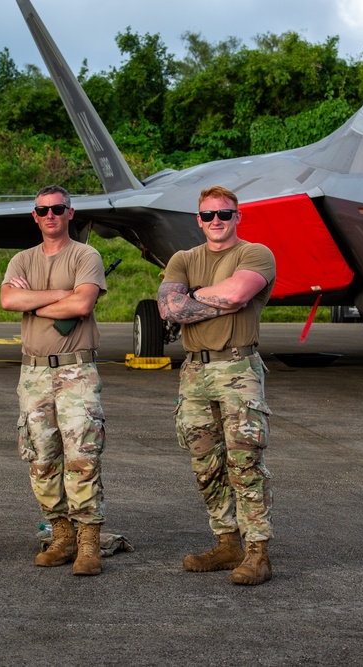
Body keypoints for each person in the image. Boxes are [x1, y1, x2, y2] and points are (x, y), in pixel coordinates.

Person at [157, 185, 277, 586]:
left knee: (244, 463)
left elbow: (239, 293)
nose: (216, 221)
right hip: (194, 372)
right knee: (205, 464)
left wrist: (191, 297)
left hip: (237, 368)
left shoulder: (254, 254)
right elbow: (168, 308)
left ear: (237, 217)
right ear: (199, 219)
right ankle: (227, 543)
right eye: (208, 215)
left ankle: (257, 553)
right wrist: (215, 299)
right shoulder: (183, 259)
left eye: (224, 214)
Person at [0, 185, 108, 576]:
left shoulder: (85, 255)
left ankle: (89, 541)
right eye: (43, 210)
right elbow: (8, 300)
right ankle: (62, 535)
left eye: (58, 209)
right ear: (35, 215)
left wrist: (35, 300)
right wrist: (60, 294)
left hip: (75, 370)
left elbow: (82, 303)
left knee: (82, 455)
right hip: (33, 373)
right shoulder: (21, 260)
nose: (50, 215)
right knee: (41, 457)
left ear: (70, 213)